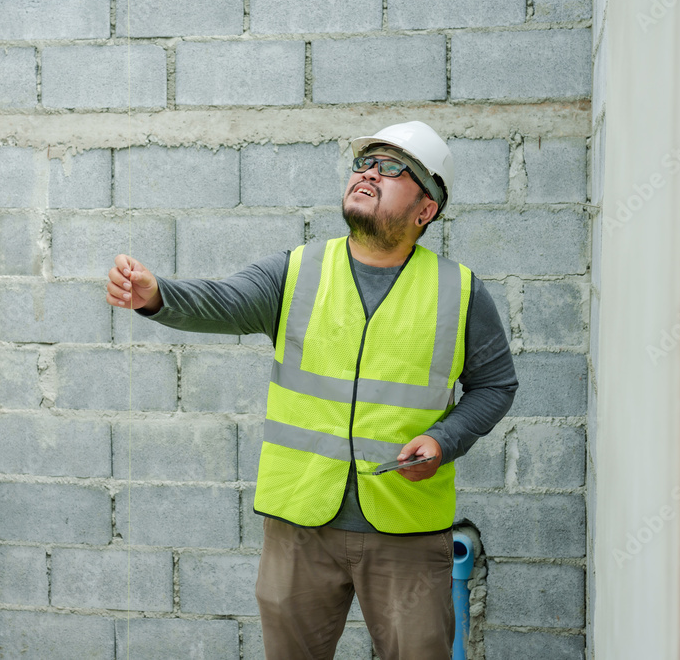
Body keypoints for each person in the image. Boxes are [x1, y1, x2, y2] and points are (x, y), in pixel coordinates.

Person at [106, 121, 517, 660]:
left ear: (426, 209)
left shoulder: (459, 291)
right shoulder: (296, 271)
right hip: (299, 526)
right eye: (364, 162)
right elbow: (224, 301)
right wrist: (157, 294)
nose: (369, 172)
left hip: (408, 530)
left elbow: (495, 385)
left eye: (393, 167)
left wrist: (444, 441)